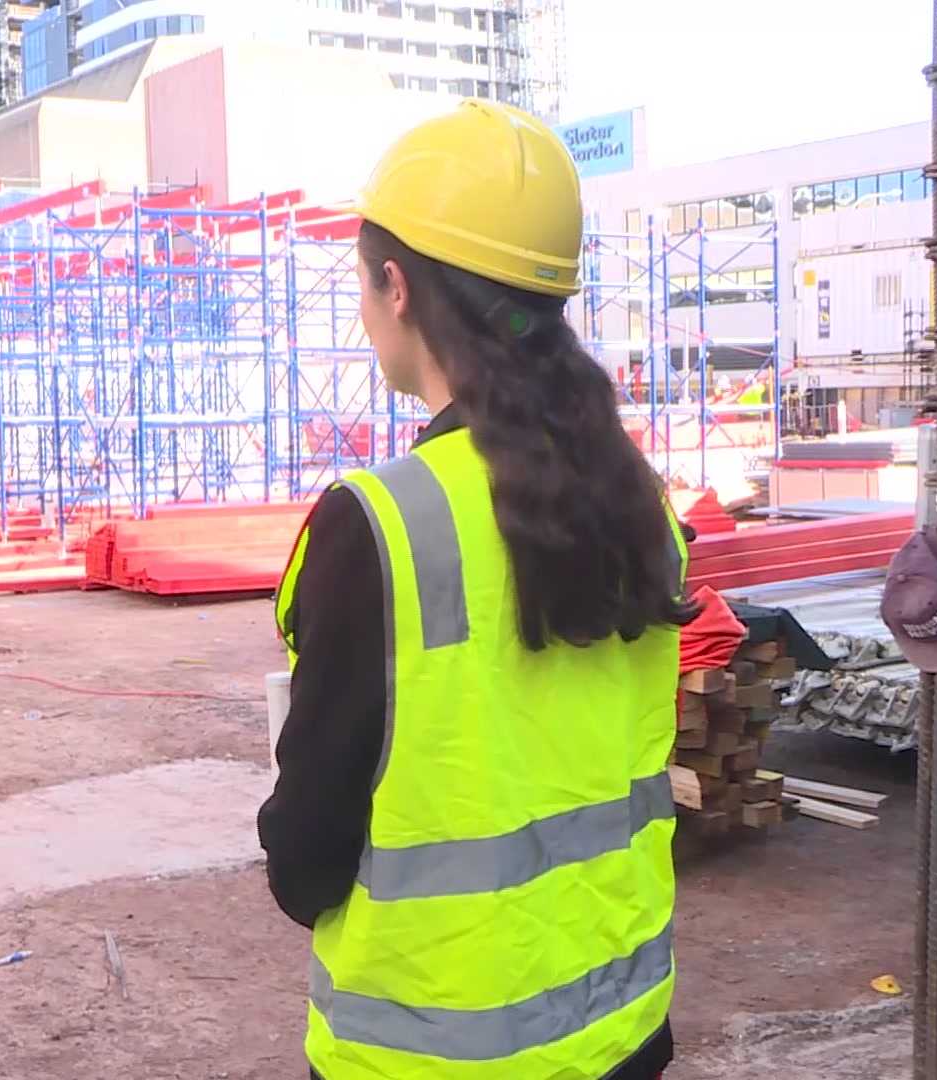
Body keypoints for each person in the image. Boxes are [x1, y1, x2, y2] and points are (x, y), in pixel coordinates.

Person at [258, 99, 694, 1080]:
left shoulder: (378, 527)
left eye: (363, 284)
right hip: (620, 1032)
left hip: (434, 1055)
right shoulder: (640, 503)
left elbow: (308, 859)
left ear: (398, 288)